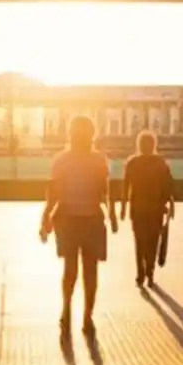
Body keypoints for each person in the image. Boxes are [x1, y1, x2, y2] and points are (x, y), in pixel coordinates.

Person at [40, 116, 114, 338]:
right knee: (90, 271)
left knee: (69, 270)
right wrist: (111, 212)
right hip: (92, 218)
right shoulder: (99, 160)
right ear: (92, 135)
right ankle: (88, 316)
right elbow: (104, 190)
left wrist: (46, 216)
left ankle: (66, 309)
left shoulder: (61, 160)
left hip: (67, 219)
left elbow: (53, 192)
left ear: (70, 134)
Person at [121, 130, 174, 287]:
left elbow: (125, 186)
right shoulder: (161, 163)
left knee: (139, 241)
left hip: (137, 207)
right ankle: (150, 272)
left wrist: (123, 207)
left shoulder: (132, 162)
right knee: (153, 240)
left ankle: (140, 274)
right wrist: (169, 204)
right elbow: (168, 187)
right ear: (154, 144)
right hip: (156, 208)